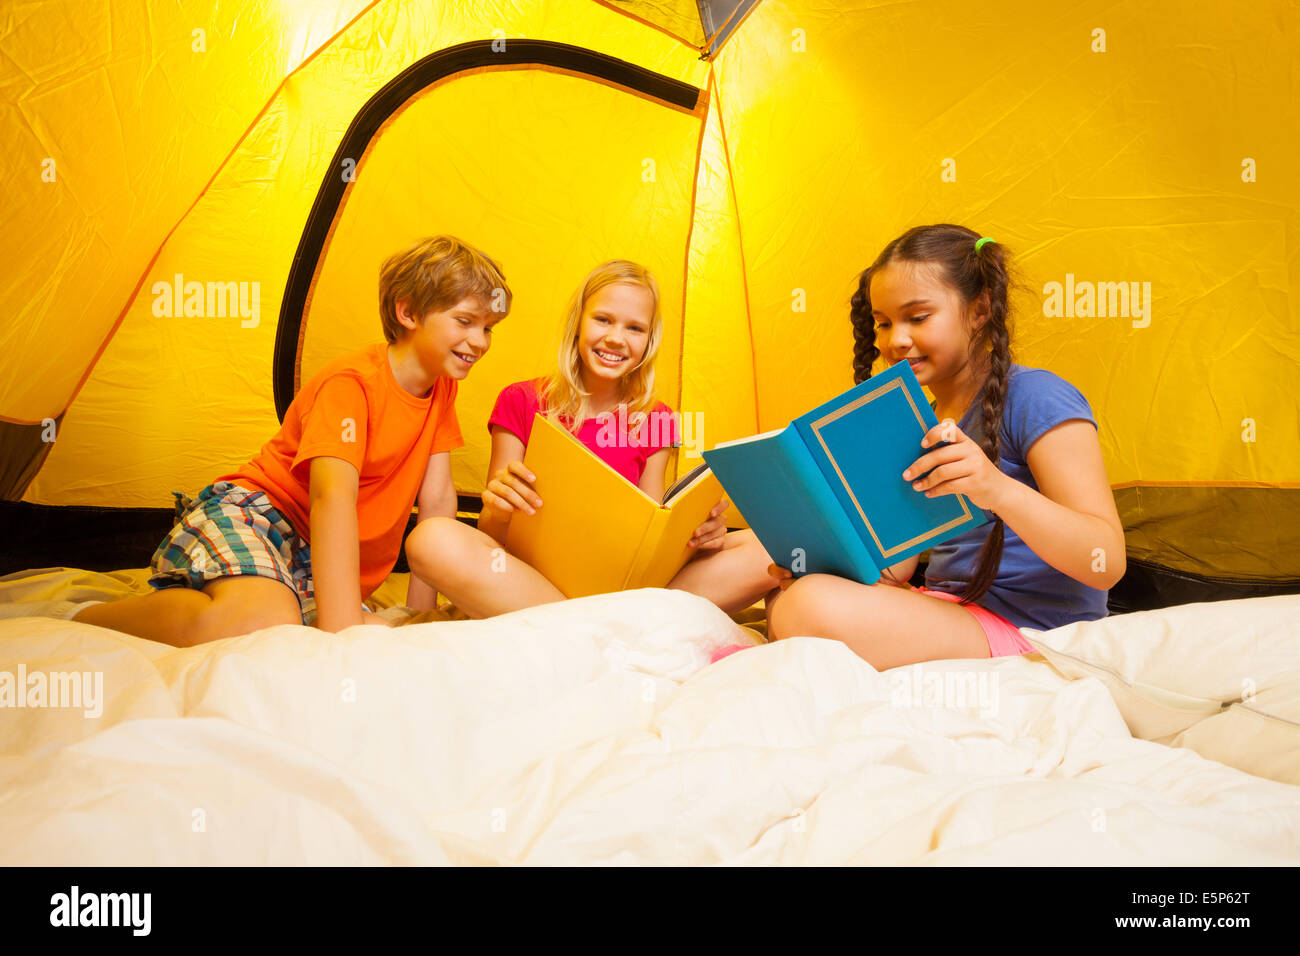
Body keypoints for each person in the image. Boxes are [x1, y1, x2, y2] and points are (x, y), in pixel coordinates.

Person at [7, 235, 510, 646]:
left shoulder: (440, 389)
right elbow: (330, 497)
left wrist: (415, 618)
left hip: (316, 554)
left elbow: (438, 501)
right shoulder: (353, 384)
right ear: (408, 313)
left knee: (340, 630)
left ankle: (252, 598)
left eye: (488, 327)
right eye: (465, 322)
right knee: (262, 621)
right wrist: (342, 627)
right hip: (258, 515)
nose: (480, 342)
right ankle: (92, 618)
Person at [765, 225, 1124, 670]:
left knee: (811, 607)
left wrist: (996, 489)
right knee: (791, 598)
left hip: (1035, 631)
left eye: (917, 318)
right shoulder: (919, 419)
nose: (895, 339)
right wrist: (823, 564)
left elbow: (1106, 561)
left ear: (979, 310)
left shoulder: (1038, 397)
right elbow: (899, 569)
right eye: (883, 322)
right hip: (950, 610)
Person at [406, 259, 778, 619]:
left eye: (635, 328)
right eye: (603, 320)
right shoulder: (521, 400)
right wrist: (499, 504)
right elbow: (491, 531)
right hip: (530, 583)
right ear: (579, 324)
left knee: (774, 546)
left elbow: (647, 540)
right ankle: (598, 630)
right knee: (431, 539)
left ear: (649, 340)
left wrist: (696, 538)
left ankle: (589, 628)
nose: (616, 339)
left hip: (624, 592)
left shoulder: (658, 418)